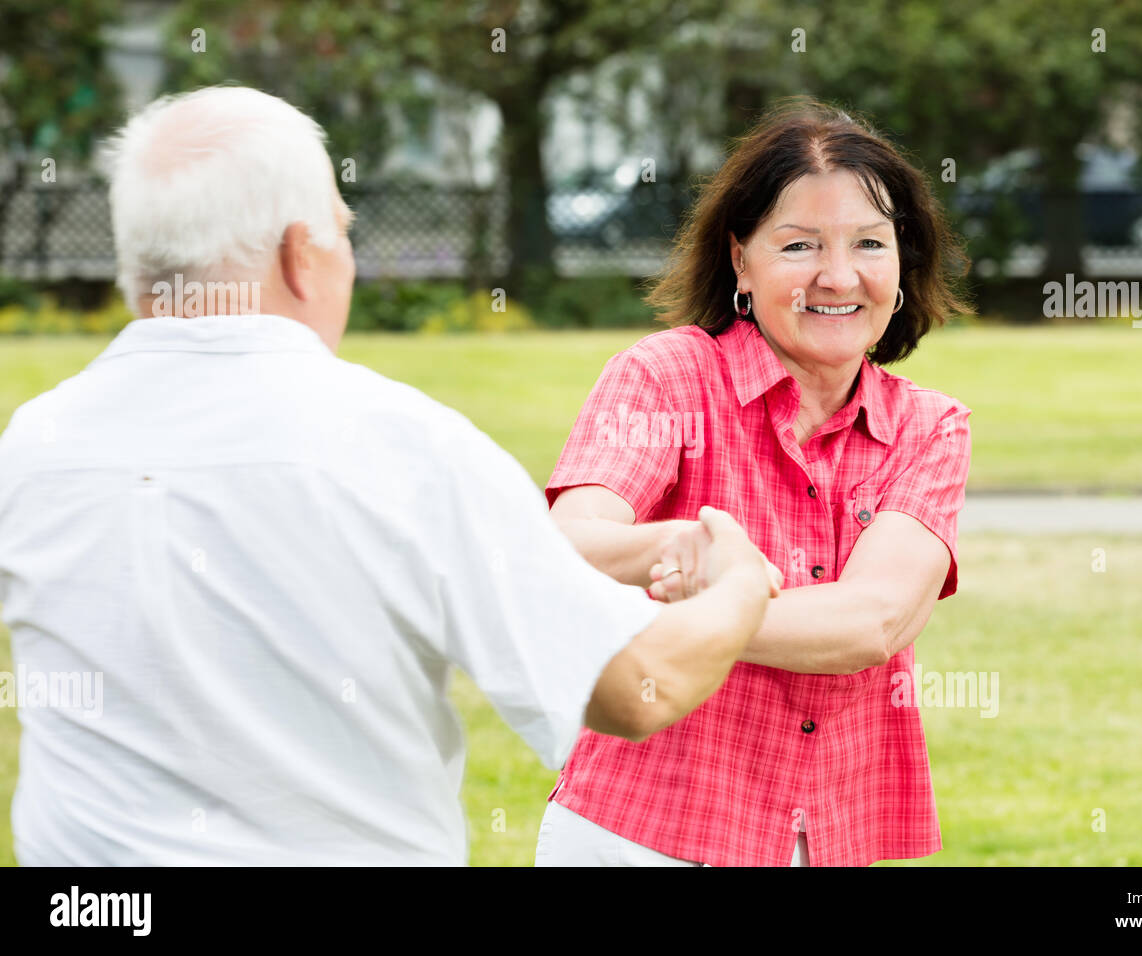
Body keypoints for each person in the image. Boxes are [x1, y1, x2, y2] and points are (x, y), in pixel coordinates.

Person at [0, 86, 777, 866]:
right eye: (344, 232)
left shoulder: (31, 445)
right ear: (300, 255)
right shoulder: (405, 448)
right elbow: (640, 688)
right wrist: (740, 580)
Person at [535, 96, 974, 867]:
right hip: (640, 834)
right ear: (741, 258)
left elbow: (870, 624)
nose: (838, 277)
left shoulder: (929, 427)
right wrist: (675, 542)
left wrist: (694, 611)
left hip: (829, 840)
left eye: (870, 243)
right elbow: (568, 545)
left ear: (902, 261)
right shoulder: (666, 375)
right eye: (800, 245)